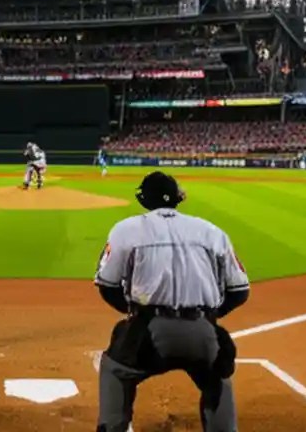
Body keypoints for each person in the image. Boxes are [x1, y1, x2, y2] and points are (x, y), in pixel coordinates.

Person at [93, 171, 250, 432]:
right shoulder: (211, 231)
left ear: (144, 199)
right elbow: (240, 291)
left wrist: (132, 314)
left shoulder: (126, 229)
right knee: (217, 375)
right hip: (202, 333)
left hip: (150, 332)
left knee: (115, 369)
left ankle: (112, 428)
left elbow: (107, 286)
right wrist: (209, 320)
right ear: (177, 198)